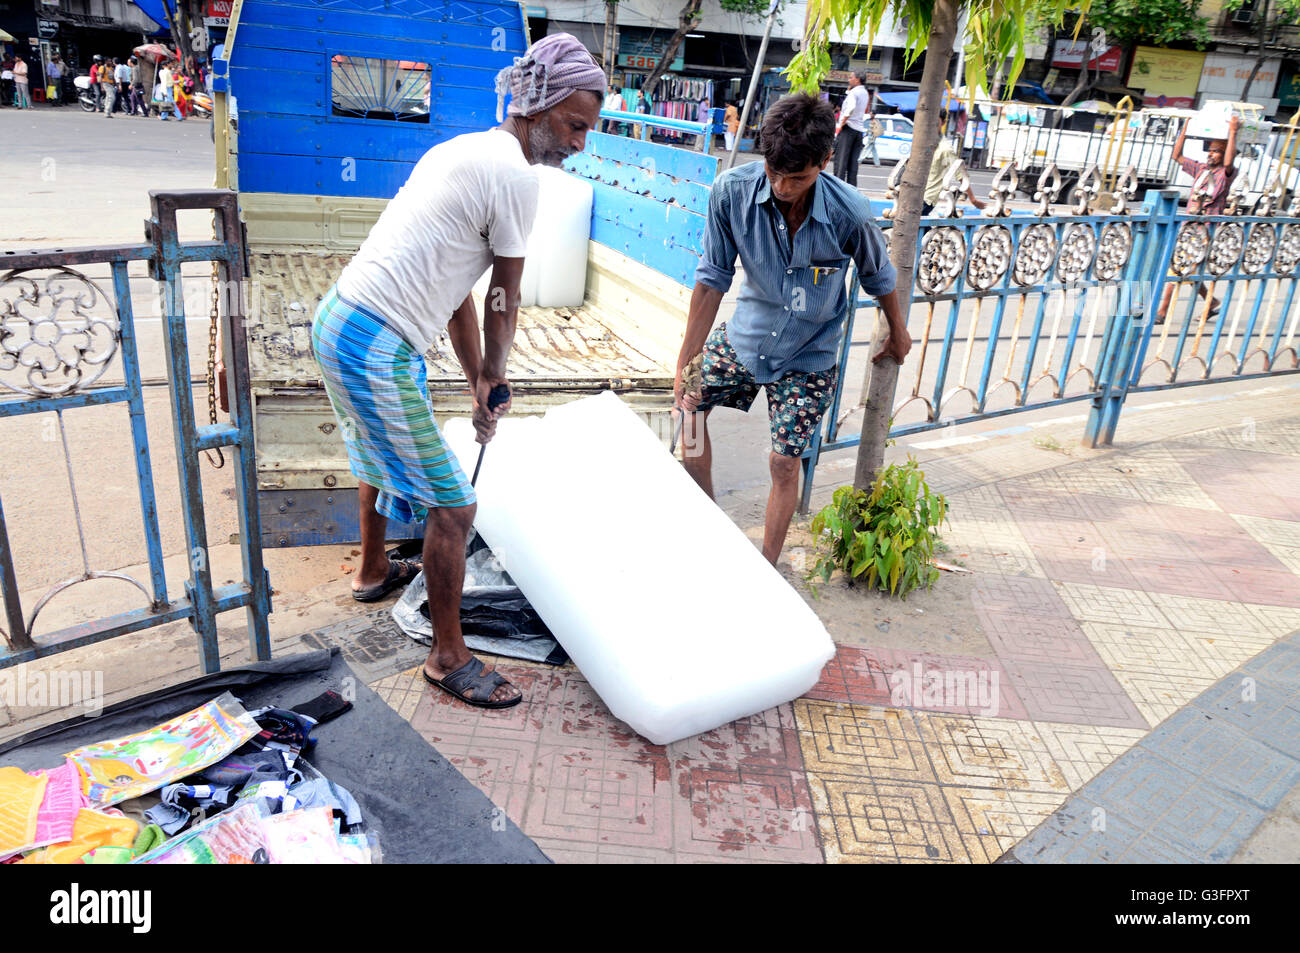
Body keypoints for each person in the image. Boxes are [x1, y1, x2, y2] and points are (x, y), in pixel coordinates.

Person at [311, 33, 603, 709]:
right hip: (378, 345)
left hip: (340, 321)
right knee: (455, 503)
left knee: (373, 456)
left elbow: (457, 298)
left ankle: (374, 569)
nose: (581, 143)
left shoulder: (465, 149)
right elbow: (503, 298)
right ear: (540, 104)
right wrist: (497, 373)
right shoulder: (517, 177)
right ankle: (447, 657)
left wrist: (479, 380)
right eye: (575, 124)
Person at [674, 93, 910, 567]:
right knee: (687, 411)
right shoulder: (730, 192)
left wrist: (897, 330)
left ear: (826, 160)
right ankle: (710, 524)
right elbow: (712, 278)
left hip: (810, 355)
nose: (782, 186)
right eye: (773, 173)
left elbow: (879, 276)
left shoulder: (851, 212)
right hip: (745, 338)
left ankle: (766, 565)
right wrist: (686, 363)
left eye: (797, 177)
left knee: (785, 461)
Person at [1155, 114, 1241, 325]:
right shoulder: (1201, 169)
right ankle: (1211, 302)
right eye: (1210, 150)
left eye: (1216, 151)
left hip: (1206, 228)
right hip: (1189, 226)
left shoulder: (1225, 173)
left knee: (1178, 267)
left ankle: (1162, 311)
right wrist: (1185, 130)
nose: (1211, 154)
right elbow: (1177, 156)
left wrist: (1233, 131)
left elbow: (1229, 161)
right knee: (1187, 268)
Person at [922, 119, 985, 215]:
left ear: (943, 123)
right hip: (914, 193)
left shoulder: (945, 149)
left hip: (927, 197)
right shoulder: (922, 143)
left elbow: (960, 174)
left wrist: (973, 199)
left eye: (936, 122)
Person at [832, 69, 870, 185]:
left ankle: (838, 189)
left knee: (841, 163)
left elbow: (850, 108)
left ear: (857, 79)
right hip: (858, 131)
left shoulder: (855, 93)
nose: (849, 79)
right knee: (853, 164)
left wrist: (842, 122)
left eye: (851, 77)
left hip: (848, 129)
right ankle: (851, 190)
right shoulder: (864, 93)